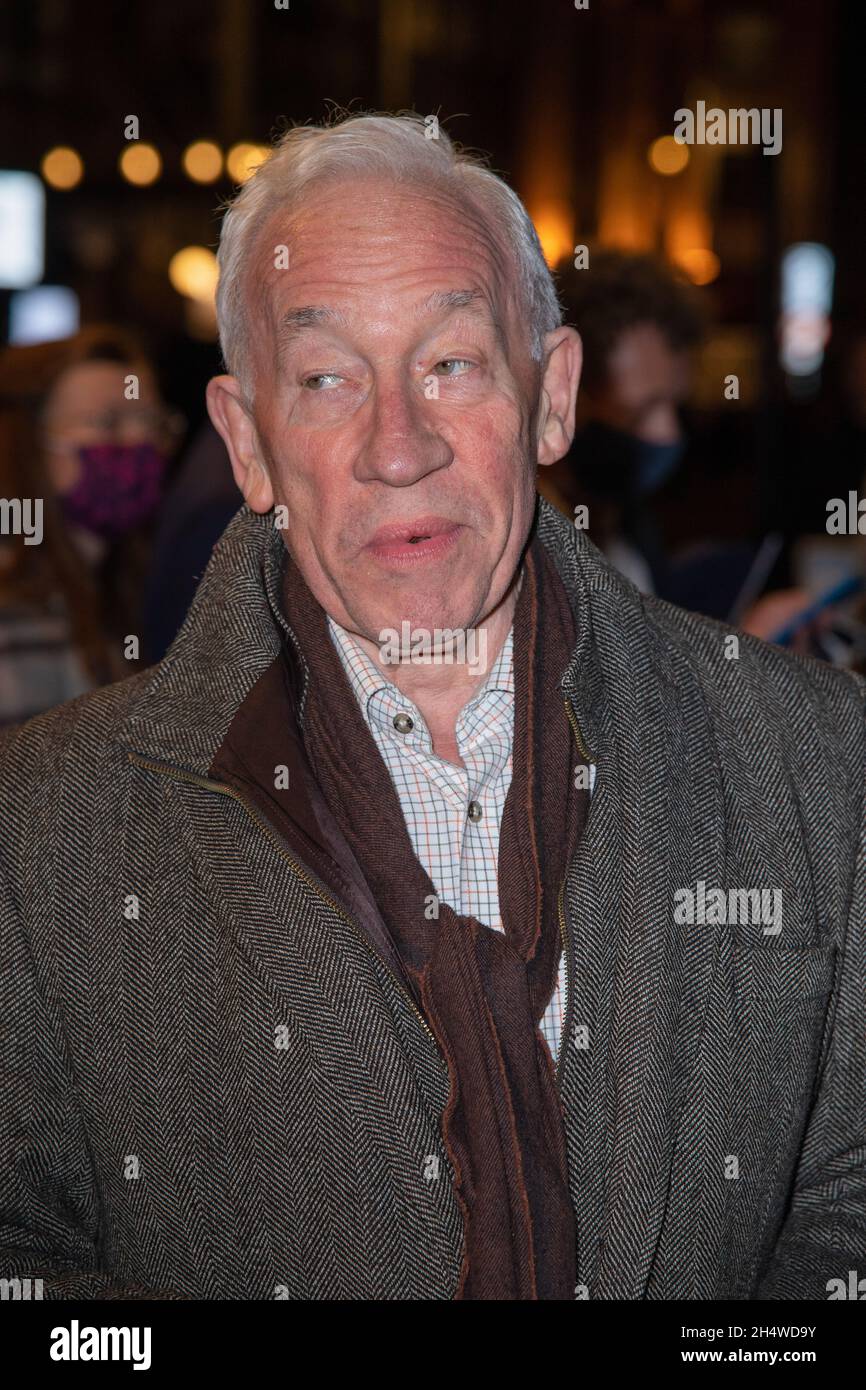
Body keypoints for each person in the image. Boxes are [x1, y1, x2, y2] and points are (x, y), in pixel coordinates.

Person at [0, 112, 864, 1301]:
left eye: (450, 364)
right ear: (247, 444)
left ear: (551, 394)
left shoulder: (812, 757)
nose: (395, 448)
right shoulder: (45, 825)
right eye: (324, 379)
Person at [0, 327, 179, 725]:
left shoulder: (125, 584)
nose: (138, 441)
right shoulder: (13, 607)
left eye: (150, 422)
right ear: (27, 442)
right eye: (106, 422)